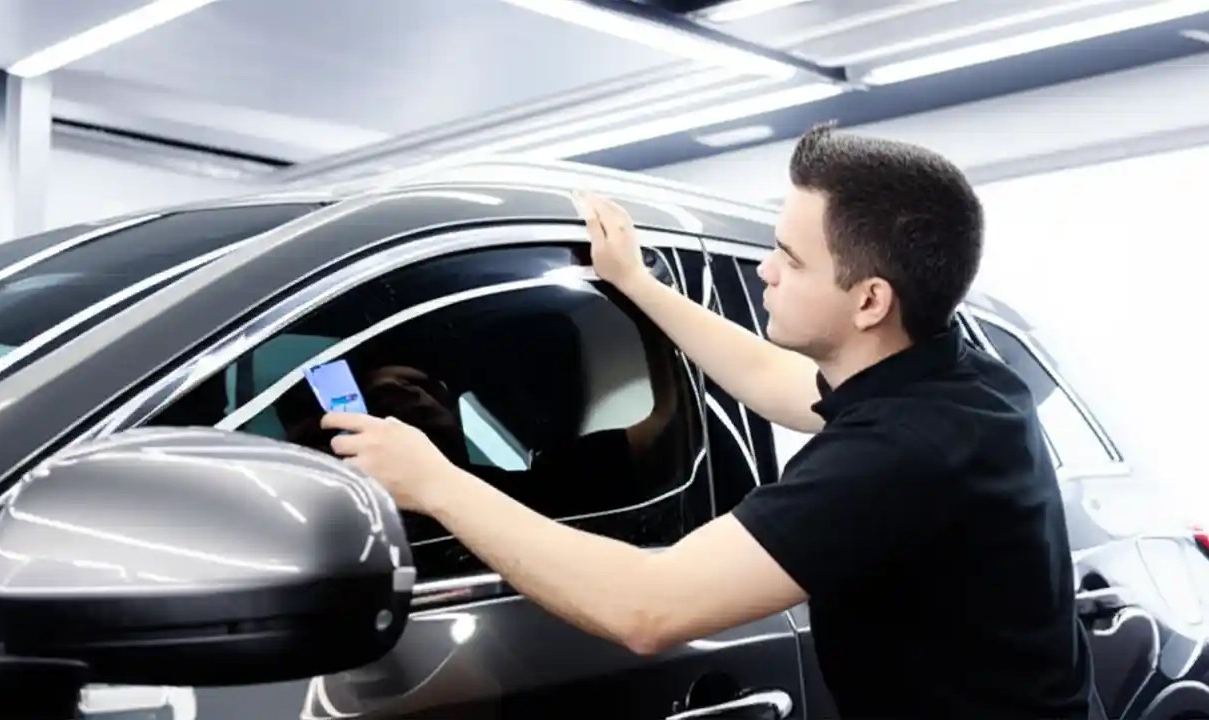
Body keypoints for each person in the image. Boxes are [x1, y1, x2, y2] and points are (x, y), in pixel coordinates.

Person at [321, 123, 1095, 719]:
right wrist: (639, 285)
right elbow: (774, 379)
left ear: (870, 301)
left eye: (790, 259)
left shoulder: (903, 452)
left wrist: (434, 483)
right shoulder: (955, 378)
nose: (765, 269)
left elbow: (648, 609)